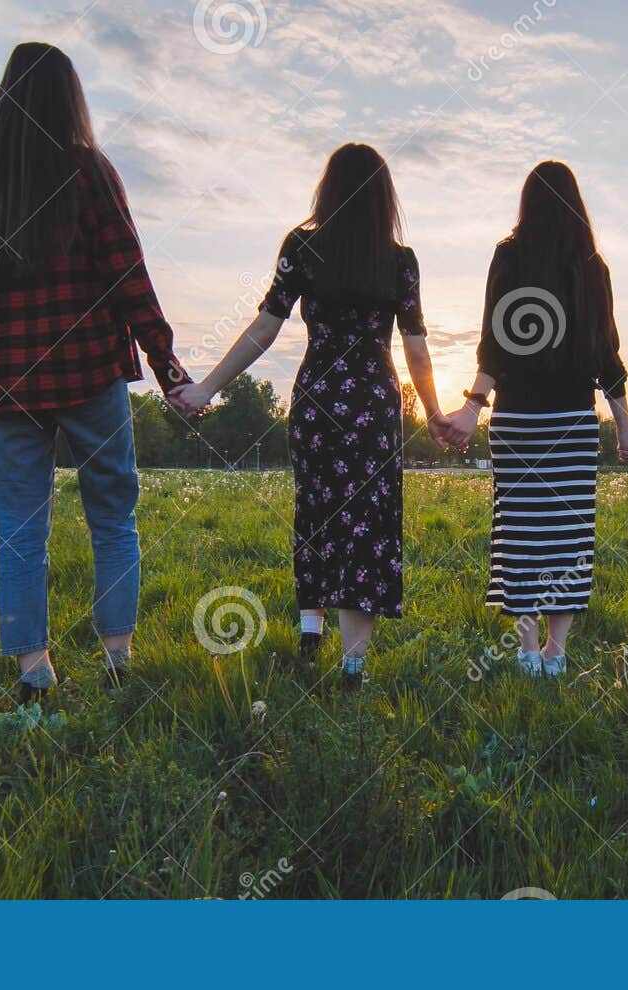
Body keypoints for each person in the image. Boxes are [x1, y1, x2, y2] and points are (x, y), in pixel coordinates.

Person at [0, 43, 190, 702]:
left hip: (5, 384)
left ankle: (34, 672)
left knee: (20, 530)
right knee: (113, 517)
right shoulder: (88, 172)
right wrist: (168, 369)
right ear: (69, 97)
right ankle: (116, 659)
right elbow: (127, 273)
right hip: (87, 372)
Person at [171, 143, 456, 687]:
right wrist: (436, 412)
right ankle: (353, 664)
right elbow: (416, 347)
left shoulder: (301, 246)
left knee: (316, 507)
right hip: (373, 400)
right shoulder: (400, 261)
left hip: (319, 397)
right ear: (383, 197)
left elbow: (263, 328)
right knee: (367, 522)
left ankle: (310, 628)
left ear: (327, 189)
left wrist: (208, 386)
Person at [441, 161, 628, 678]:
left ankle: (528, 650)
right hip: (573, 421)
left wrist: (473, 405)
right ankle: (557, 652)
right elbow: (607, 354)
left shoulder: (509, 256)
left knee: (523, 532)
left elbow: (495, 341)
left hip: (518, 421)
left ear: (526, 204)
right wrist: (625, 424)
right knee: (569, 535)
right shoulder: (593, 266)